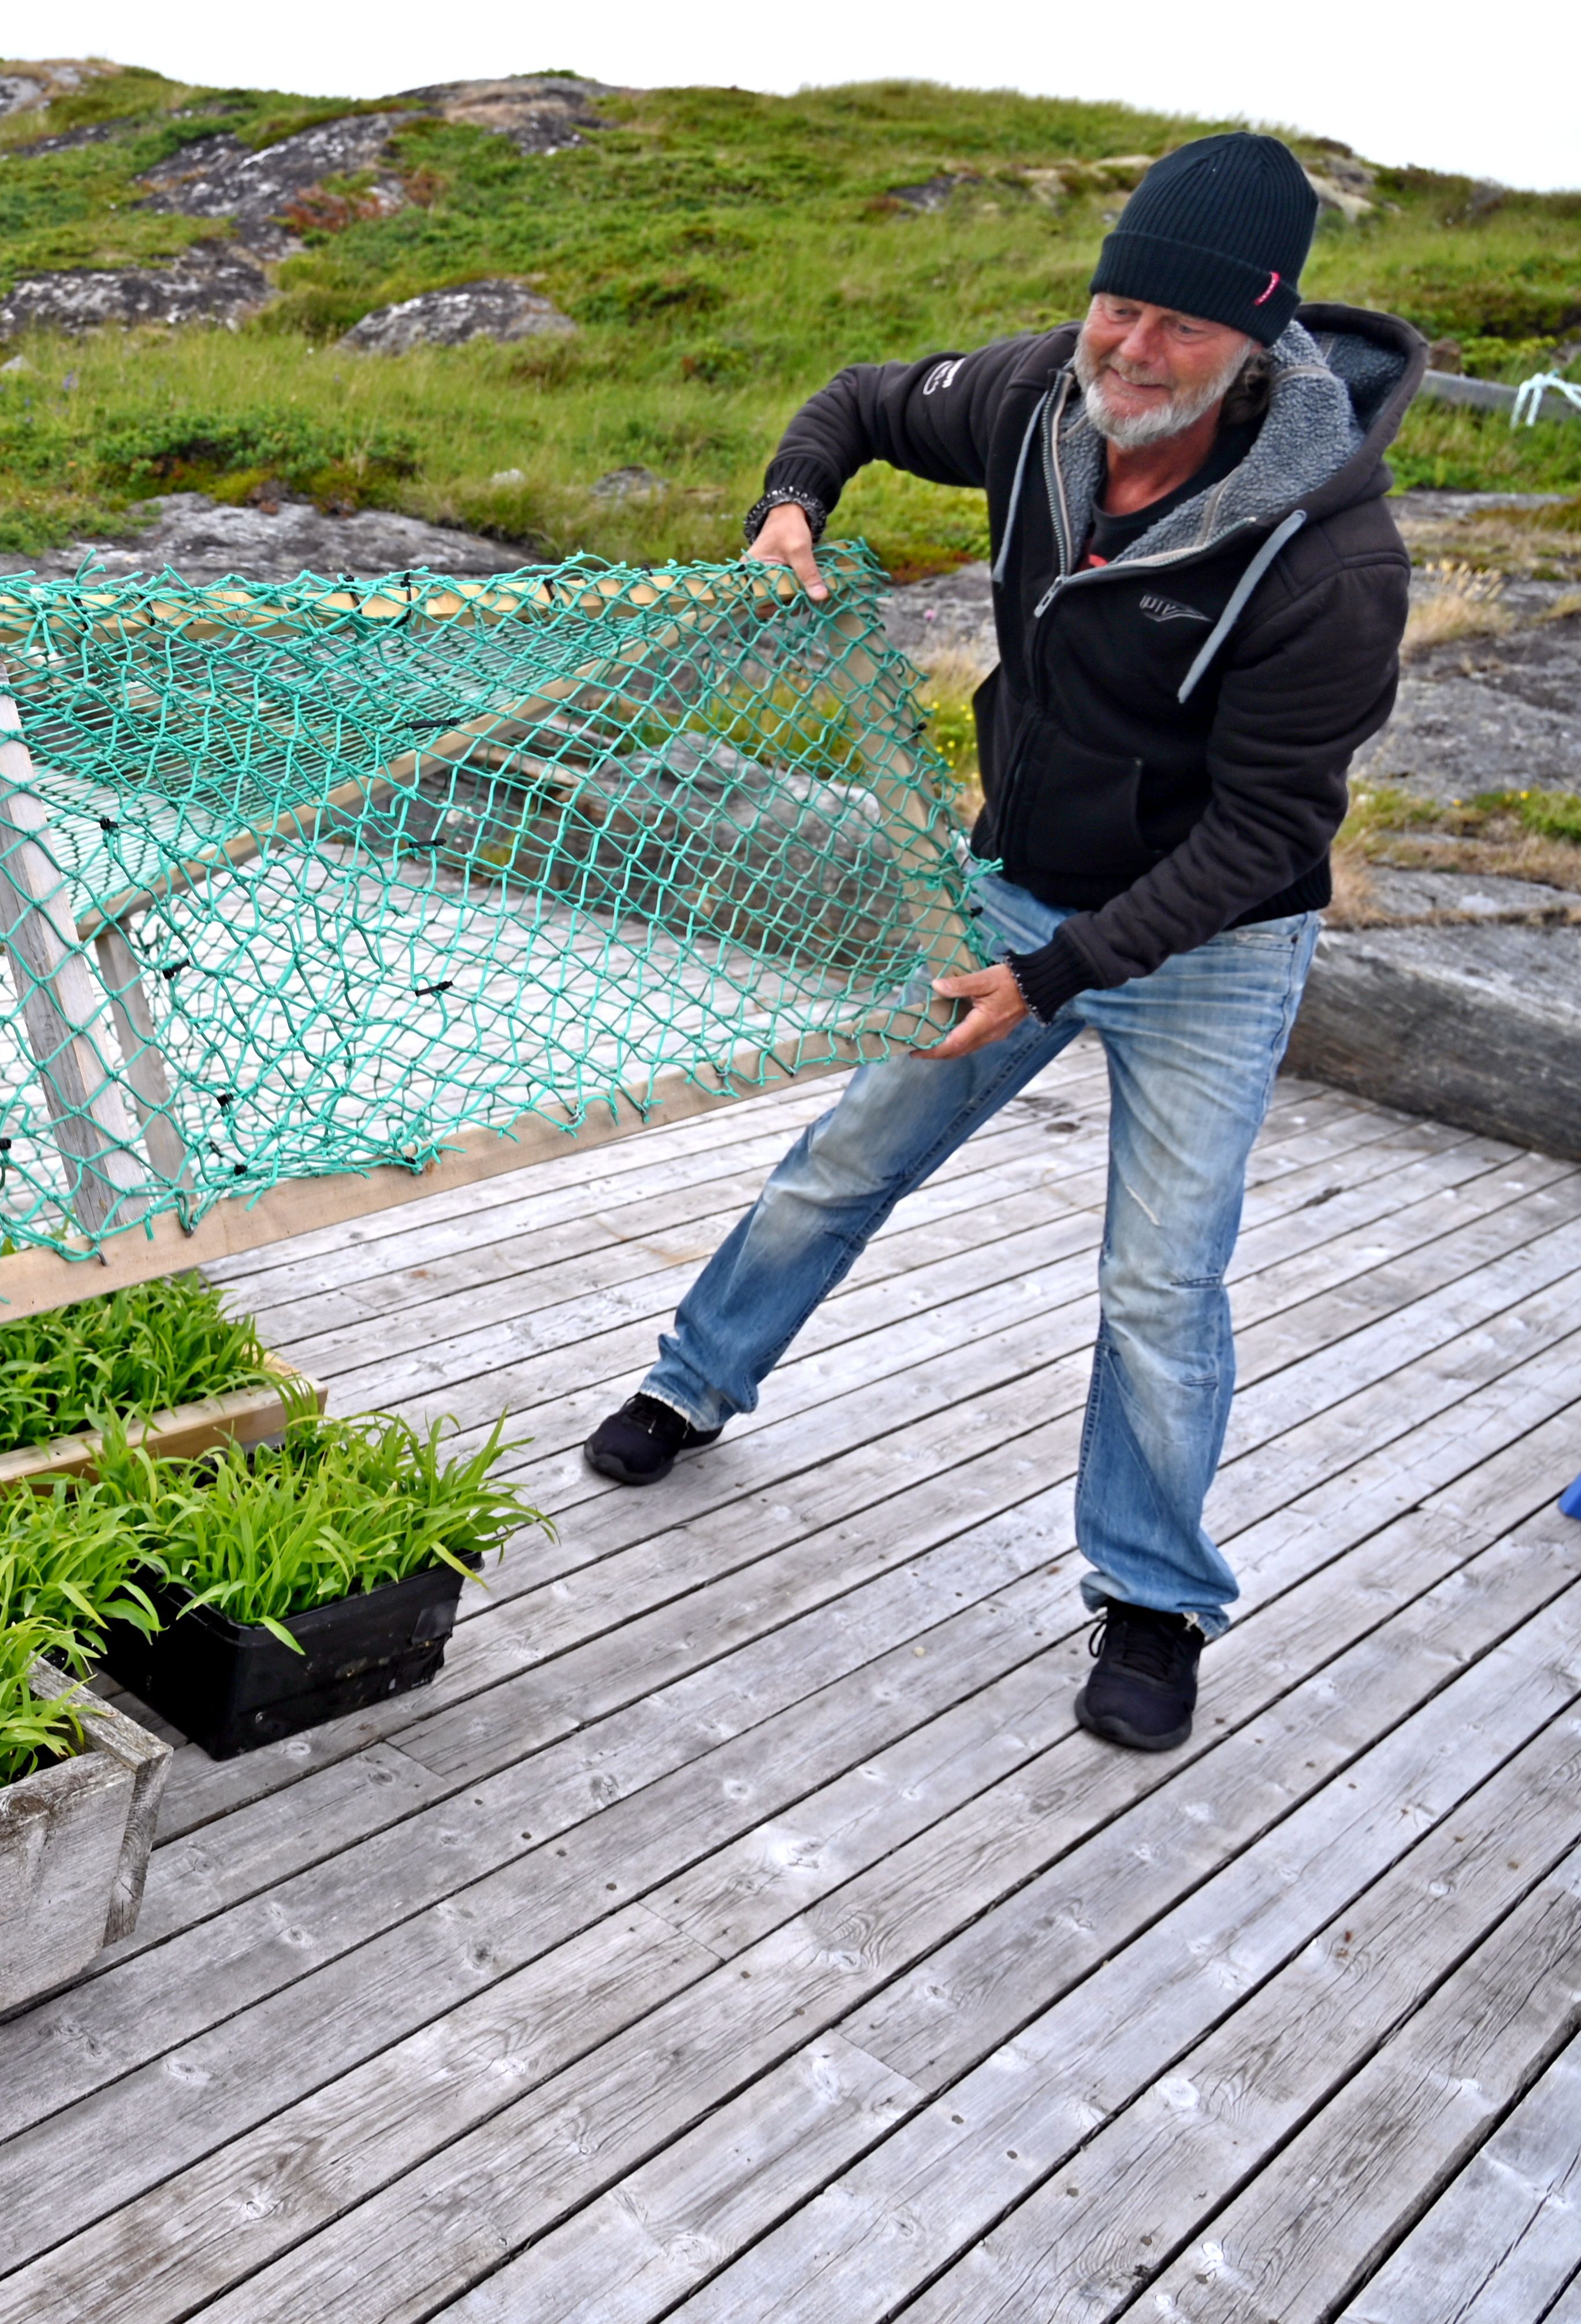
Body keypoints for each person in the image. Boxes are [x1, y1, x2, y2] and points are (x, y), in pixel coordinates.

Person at [582, 133, 1427, 1753]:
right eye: (1117, 306)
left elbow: (1267, 833)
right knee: (849, 1153)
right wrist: (788, 508)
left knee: (1159, 1285)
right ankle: (693, 1381)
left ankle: (1155, 1596)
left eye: (1178, 329)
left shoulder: (1332, 559)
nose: (1130, 349)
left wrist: (1055, 977)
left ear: (1260, 345)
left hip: (1214, 945)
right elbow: (853, 399)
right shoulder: (1044, 396)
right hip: (1015, 885)